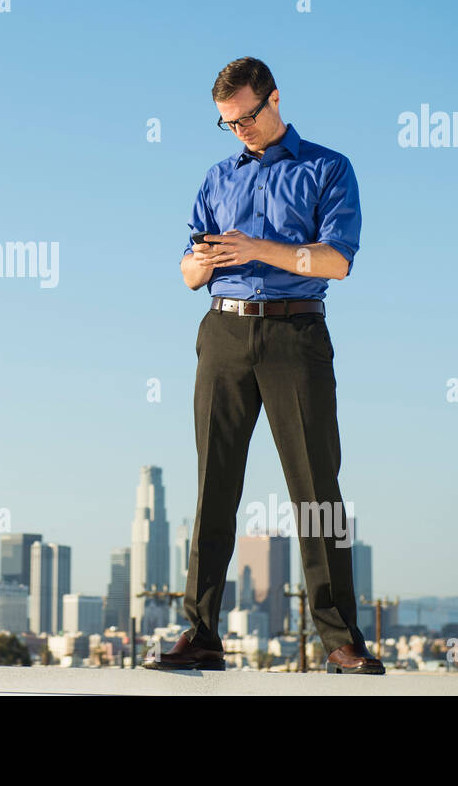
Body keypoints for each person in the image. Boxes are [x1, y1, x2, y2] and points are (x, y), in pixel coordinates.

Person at [145, 56, 383, 675]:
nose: (241, 129)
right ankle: (199, 635)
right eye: (228, 122)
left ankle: (339, 640)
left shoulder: (328, 167)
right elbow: (187, 272)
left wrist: (257, 249)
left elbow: (336, 262)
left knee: (315, 490)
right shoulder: (216, 177)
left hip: (294, 333)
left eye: (248, 116)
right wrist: (202, 262)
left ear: (275, 99)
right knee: (212, 485)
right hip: (222, 331)